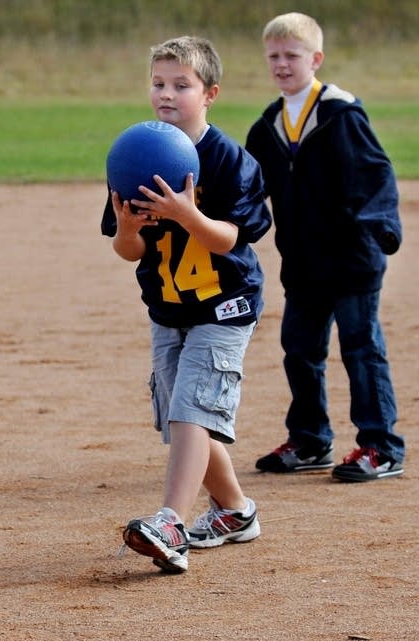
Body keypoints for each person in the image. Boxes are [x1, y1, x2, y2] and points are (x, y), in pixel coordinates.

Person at [102, 36, 271, 573]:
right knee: (181, 419)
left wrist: (185, 213)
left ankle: (171, 521)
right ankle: (237, 511)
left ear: (210, 93)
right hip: (169, 311)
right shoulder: (139, 152)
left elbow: (233, 238)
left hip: (225, 307)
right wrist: (128, 228)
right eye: (158, 83)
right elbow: (127, 249)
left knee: (192, 411)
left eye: (182, 84)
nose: (166, 94)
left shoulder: (227, 159)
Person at [245, 13, 405, 483]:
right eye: (273, 56)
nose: (281, 64)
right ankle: (311, 439)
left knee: (361, 348)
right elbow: (249, 186)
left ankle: (381, 446)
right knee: (299, 349)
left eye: (291, 55)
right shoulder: (269, 126)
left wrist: (381, 225)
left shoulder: (340, 114)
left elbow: (375, 173)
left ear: (315, 59)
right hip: (304, 262)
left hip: (353, 259)